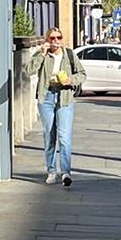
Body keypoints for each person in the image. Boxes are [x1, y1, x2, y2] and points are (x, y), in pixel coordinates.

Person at [27, 27, 86, 187]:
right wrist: (42, 54)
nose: (56, 41)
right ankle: (51, 171)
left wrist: (71, 80)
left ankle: (66, 172)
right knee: (49, 135)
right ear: (47, 40)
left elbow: (82, 74)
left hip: (65, 97)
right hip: (47, 97)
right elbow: (29, 70)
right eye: (52, 38)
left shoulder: (69, 55)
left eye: (58, 38)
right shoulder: (43, 55)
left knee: (64, 136)